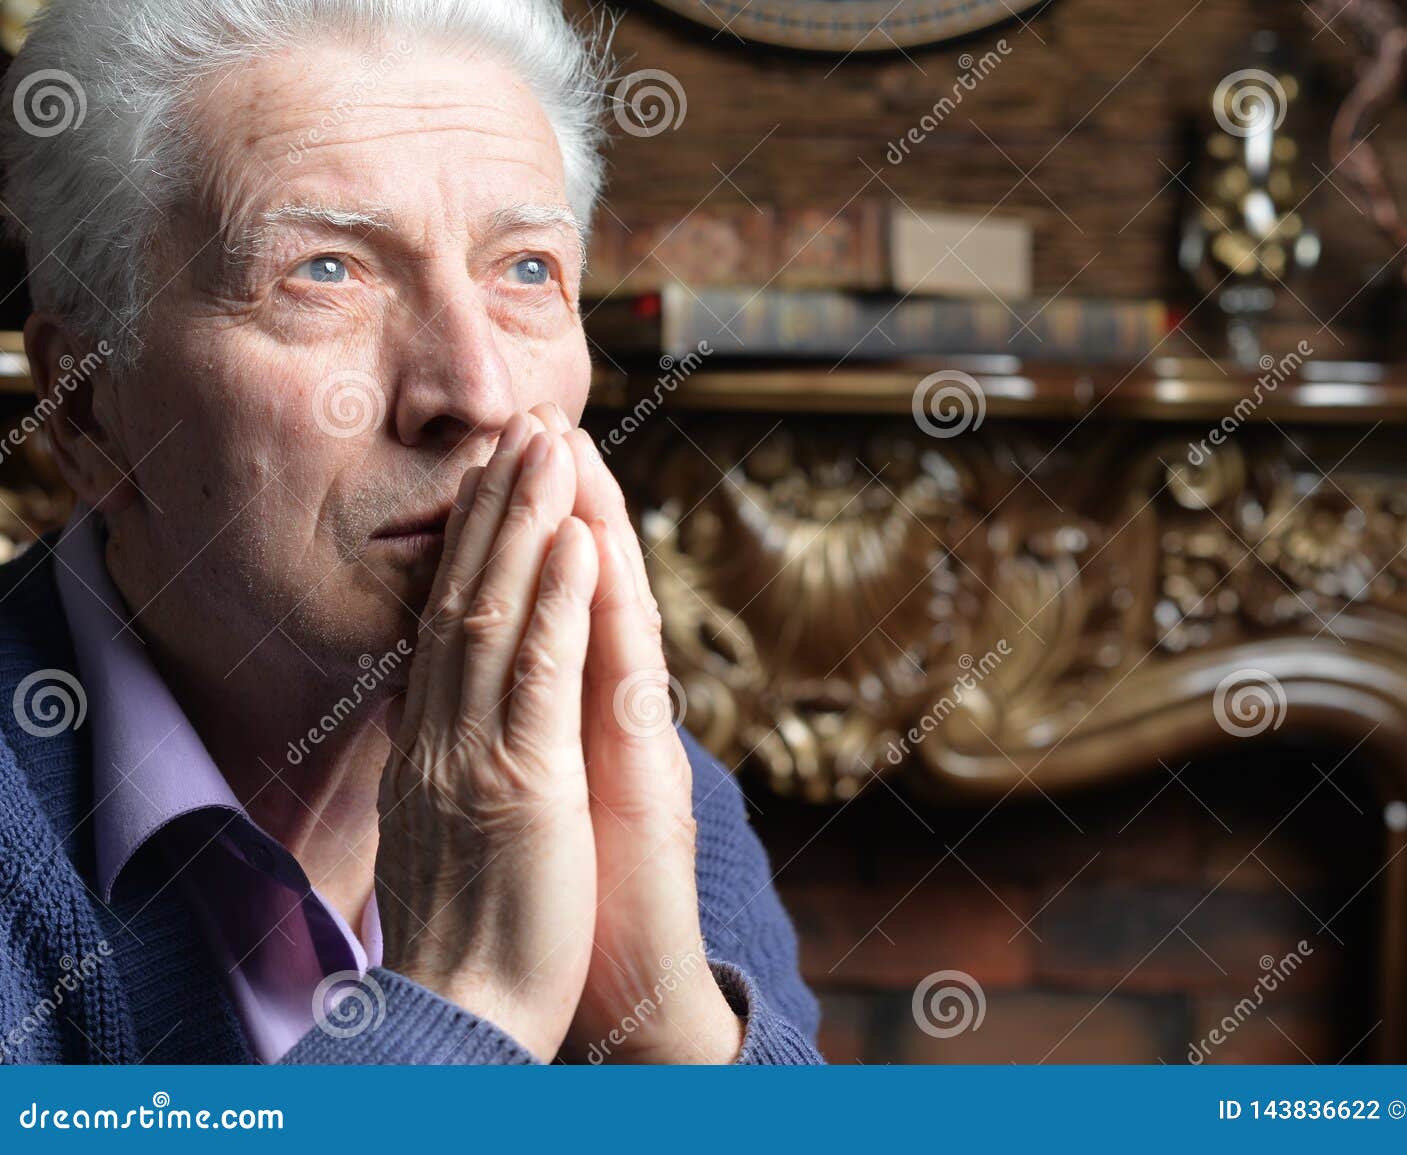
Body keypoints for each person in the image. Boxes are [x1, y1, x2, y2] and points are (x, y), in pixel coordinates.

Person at [0, 0, 821, 1064]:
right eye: (325, 272)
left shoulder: (639, 781)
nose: (473, 391)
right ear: (86, 412)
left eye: (525, 269)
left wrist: (666, 1033)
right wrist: (469, 999)